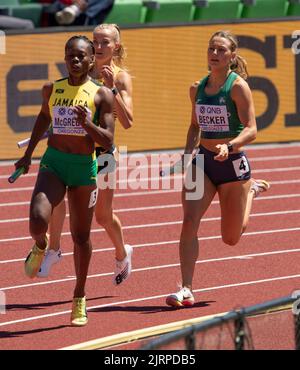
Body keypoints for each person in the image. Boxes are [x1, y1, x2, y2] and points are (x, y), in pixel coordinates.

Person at [14, 35, 115, 326]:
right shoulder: (52, 89)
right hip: (54, 163)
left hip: (84, 169)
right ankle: (40, 244)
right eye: (70, 55)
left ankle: (79, 296)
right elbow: (43, 118)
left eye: (82, 56)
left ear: (91, 59)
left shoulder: (101, 95)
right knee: (36, 220)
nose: (75, 60)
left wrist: (87, 124)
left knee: (81, 237)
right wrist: (28, 154)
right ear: (64, 57)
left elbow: (108, 142)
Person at [165, 30, 270, 308]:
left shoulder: (237, 87)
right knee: (189, 221)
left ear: (232, 57)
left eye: (221, 50)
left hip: (232, 166)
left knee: (231, 238)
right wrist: (187, 156)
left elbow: (252, 129)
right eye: (211, 48)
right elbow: (194, 127)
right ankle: (186, 289)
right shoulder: (196, 88)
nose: (214, 53)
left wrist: (231, 146)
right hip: (204, 162)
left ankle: (250, 192)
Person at [38, 24, 134, 286]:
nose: (99, 47)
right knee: (58, 199)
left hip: (102, 154)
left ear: (116, 47)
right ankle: (54, 249)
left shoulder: (120, 77)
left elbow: (128, 122)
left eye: (105, 42)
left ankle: (122, 252)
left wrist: (113, 89)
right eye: (96, 42)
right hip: (74, 152)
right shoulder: (81, 67)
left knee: (102, 216)